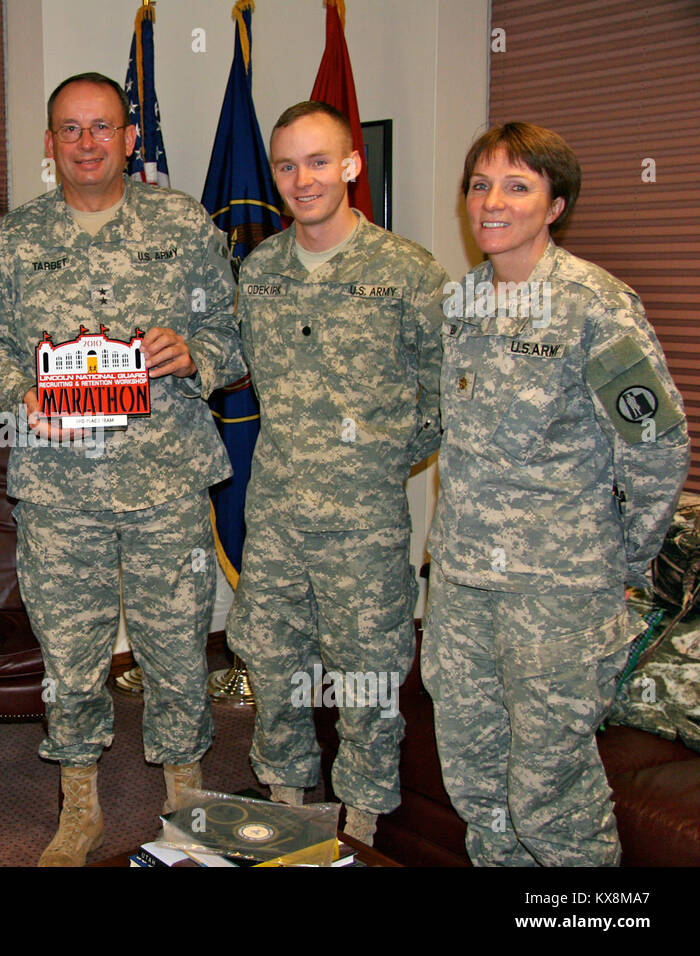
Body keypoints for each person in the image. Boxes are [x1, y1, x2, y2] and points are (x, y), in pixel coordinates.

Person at [0, 72, 242, 866]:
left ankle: (186, 798)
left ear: (128, 138)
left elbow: (232, 333)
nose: (87, 143)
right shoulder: (12, 242)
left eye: (102, 127)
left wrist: (196, 356)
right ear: (50, 146)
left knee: (179, 649)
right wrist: (21, 393)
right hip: (59, 488)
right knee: (71, 653)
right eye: (70, 130)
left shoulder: (186, 227)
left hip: (165, 482)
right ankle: (78, 804)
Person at [423, 122, 689, 866]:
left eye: (517, 185)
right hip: (463, 586)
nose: (491, 201)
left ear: (555, 205)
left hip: (558, 595)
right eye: (479, 184)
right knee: (476, 782)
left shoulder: (595, 304)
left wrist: (619, 563)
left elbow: (658, 447)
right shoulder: (464, 302)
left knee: (551, 794)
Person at [226, 101, 448, 845]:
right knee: (275, 669)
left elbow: (442, 395)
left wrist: (378, 457)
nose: (302, 179)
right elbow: (243, 370)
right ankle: (287, 814)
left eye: (319, 161)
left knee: (368, 680)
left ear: (351, 165)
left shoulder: (409, 272)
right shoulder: (257, 273)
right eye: (286, 165)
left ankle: (360, 829)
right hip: (278, 518)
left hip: (364, 524)